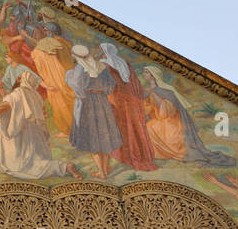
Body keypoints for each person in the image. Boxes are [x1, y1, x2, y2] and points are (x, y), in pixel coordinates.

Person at [0, 71, 81, 179]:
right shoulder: (35, 95)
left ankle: (64, 167)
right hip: (36, 138)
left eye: (20, 78)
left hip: (20, 137)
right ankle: (64, 167)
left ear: (22, 81)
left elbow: (4, 107)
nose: (17, 79)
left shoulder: (19, 93)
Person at [140, 66, 235, 166]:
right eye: (144, 72)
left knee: (150, 127)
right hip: (158, 119)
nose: (144, 74)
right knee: (148, 126)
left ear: (153, 75)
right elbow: (146, 107)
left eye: (146, 72)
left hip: (171, 122)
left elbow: (166, 112)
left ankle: (167, 153)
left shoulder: (166, 90)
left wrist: (154, 94)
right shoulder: (146, 90)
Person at [65, 45, 122, 178]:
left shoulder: (80, 68)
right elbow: (111, 85)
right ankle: (105, 171)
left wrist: (69, 76)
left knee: (93, 139)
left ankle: (102, 173)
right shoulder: (101, 67)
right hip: (102, 103)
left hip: (87, 104)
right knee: (103, 137)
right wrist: (101, 90)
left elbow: (77, 85)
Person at [99, 43, 157, 172]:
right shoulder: (124, 63)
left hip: (116, 100)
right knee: (132, 126)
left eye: (102, 50)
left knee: (122, 126)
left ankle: (128, 156)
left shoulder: (105, 64)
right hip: (130, 100)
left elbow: (104, 84)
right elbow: (134, 84)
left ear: (106, 52)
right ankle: (135, 155)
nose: (100, 52)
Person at [30, 33, 75, 137]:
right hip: (62, 77)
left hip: (52, 81)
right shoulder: (54, 44)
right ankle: (71, 129)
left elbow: (40, 69)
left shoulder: (36, 53)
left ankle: (69, 130)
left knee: (60, 105)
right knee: (67, 102)